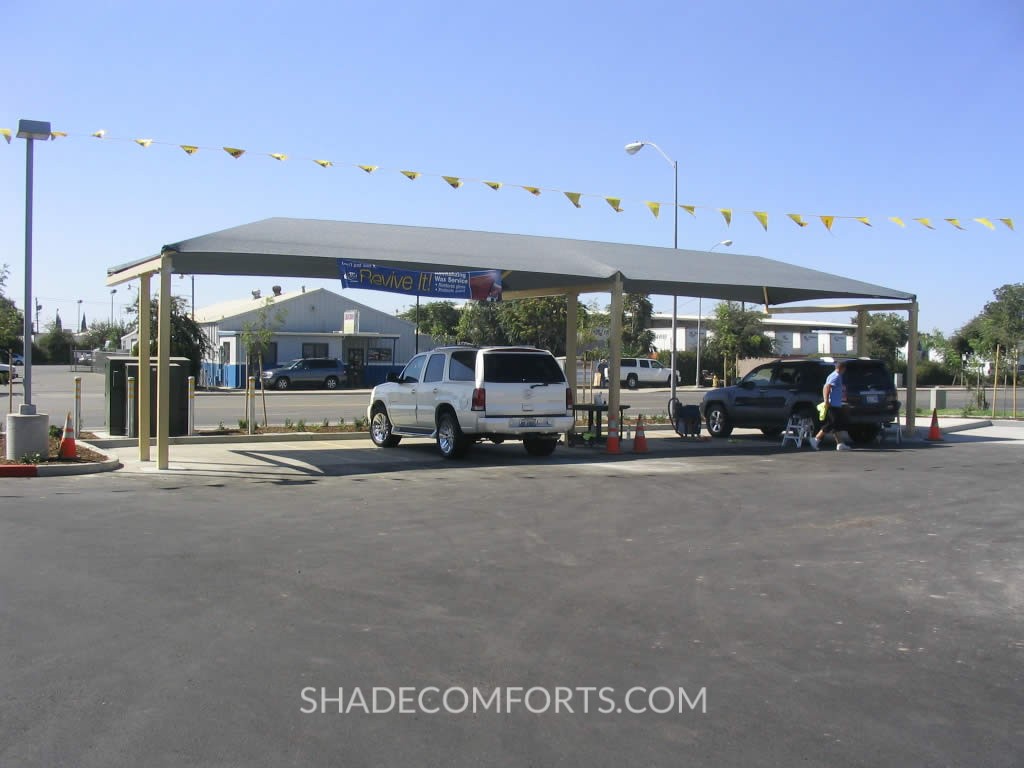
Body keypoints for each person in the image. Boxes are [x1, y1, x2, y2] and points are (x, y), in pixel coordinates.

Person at [810, 360, 852, 451]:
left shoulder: (835, 375)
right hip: (832, 404)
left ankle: (840, 444)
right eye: (844, 369)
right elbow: (827, 387)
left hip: (836, 403)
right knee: (831, 423)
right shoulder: (836, 376)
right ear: (842, 368)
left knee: (835, 424)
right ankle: (816, 439)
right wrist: (826, 400)